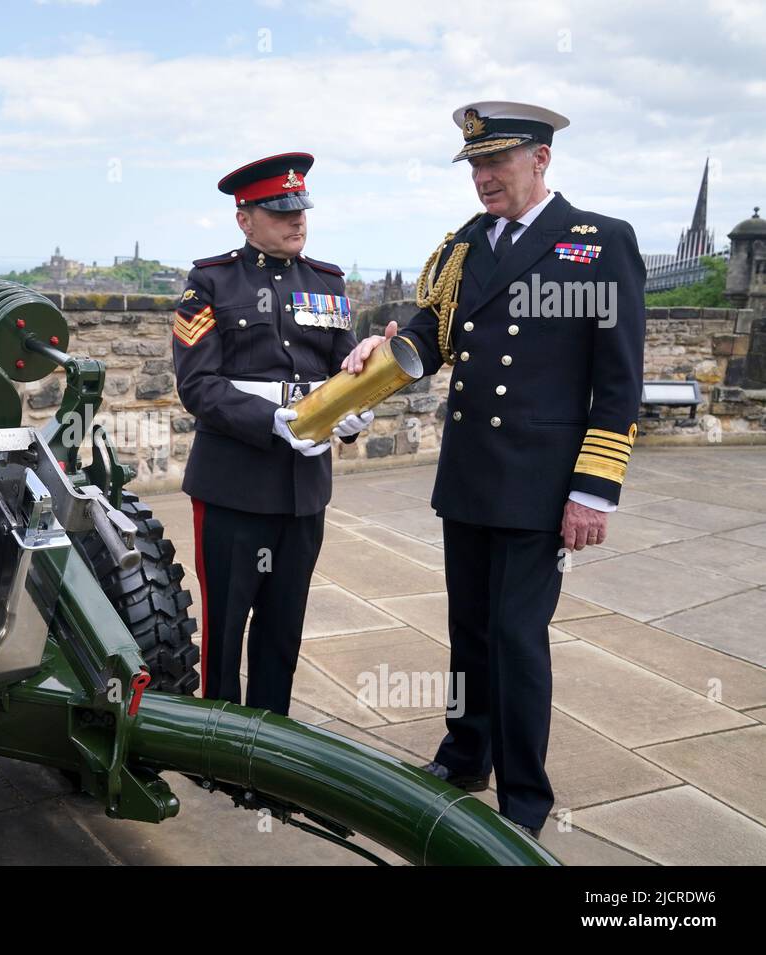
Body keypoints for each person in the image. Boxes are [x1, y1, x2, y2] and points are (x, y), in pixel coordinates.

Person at [343, 102, 646, 838]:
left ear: (540, 160)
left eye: (496, 163)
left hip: (541, 481)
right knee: (470, 629)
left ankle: (523, 803)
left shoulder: (598, 243)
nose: (483, 178)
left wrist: (593, 490)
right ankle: (463, 753)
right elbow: (430, 334)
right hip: (472, 471)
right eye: (475, 165)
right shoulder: (464, 246)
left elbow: (620, 377)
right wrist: (371, 356)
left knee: (516, 636)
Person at [172, 152, 373, 716]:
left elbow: (344, 373)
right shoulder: (209, 282)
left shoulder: (328, 283)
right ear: (245, 219)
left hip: (304, 489)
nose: (297, 221)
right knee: (225, 626)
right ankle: (217, 739)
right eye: (280, 210)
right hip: (235, 486)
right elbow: (198, 385)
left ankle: (269, 737)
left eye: (300, 209)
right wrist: (273, 420)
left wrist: (354, 414)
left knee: (284, 625)